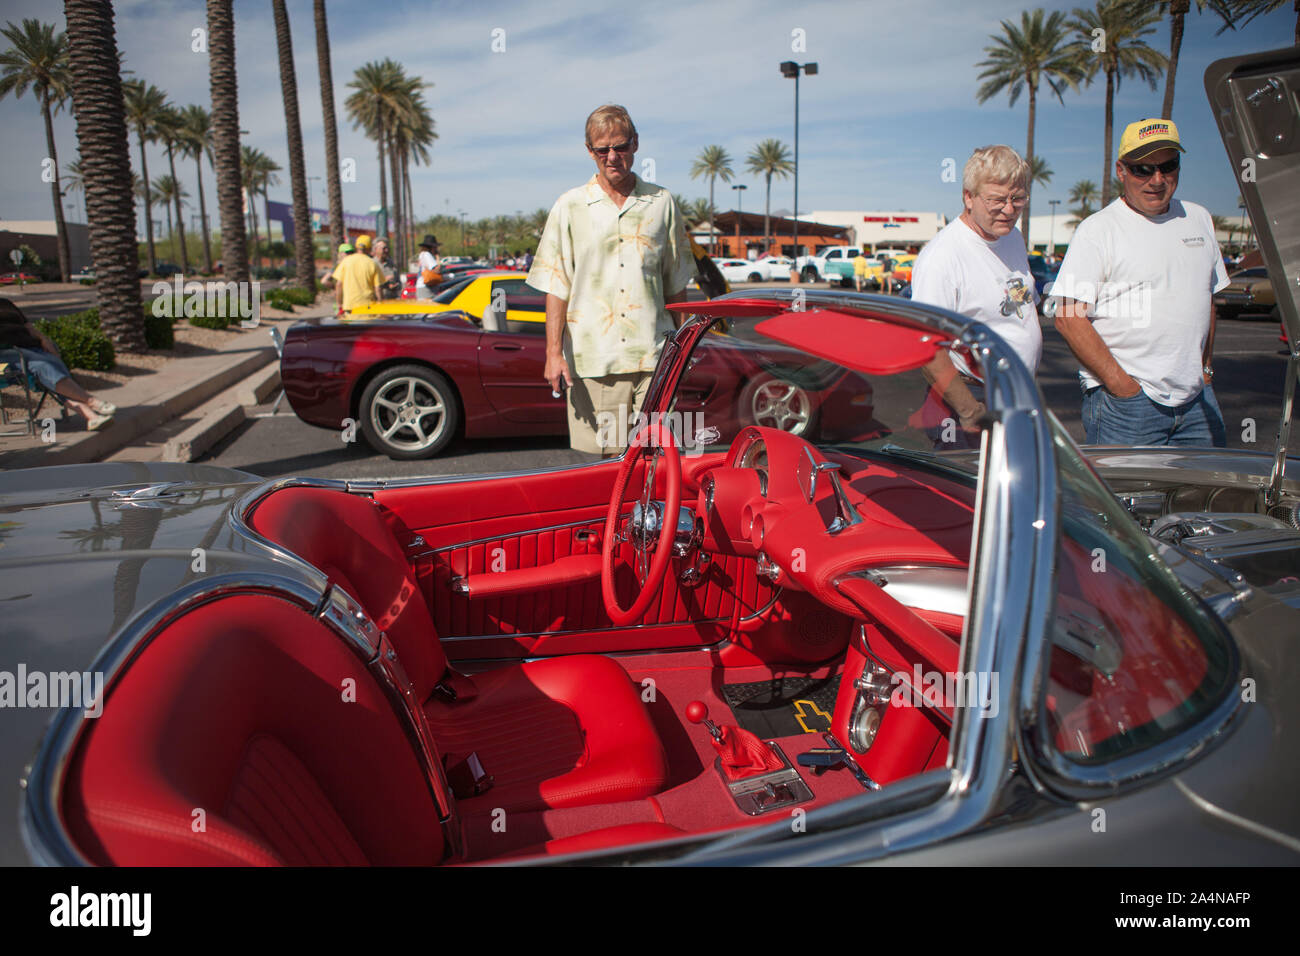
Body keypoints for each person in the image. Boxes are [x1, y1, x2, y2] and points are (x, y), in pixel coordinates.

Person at [528, 104, 694, 456]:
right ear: (589, 151)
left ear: (635, 144)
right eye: (602, 150)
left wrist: (685, 350)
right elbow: (557, 285)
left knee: (657, 461)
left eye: (620, 146)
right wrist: (553, 354)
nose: (612, 157)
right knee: (609, 470)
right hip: (596, 359)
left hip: (656, 357)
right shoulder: (570, 206)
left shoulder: (661, 203)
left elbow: (676, 284)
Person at [1053, 118, 1227, 447]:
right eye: (1142, 169)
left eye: (1168, 166)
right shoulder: (1098, 230)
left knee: (1203, 497)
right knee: (1124, 500)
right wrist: (1122, 386)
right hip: (1128, 407)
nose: (1157, 180)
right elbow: (1067, 316)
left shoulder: (1199, 218)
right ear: (1121, 171)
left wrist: (1205, 371)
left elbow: (1208, 299)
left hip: (1197, 401)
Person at [910, 145, 1042, 445]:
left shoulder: (1012, 238)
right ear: (968, 197)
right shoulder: (943, 256)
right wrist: (970, 411)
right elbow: (926, 348)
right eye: (997, 200)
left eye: (1018, 198)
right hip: (971, 403)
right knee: (969, 491)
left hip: (1018, 397)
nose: (1009, 210)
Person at [0, 297, 115, 430]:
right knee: (43, 365)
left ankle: (92, 416)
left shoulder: (5, 303)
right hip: (8, 359)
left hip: (28, 349)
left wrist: (44, 339)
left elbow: (28, 326)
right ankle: (91, 402)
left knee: (50, 364)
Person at [330, 242, 384, 314]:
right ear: (370, 249)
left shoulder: (346, 262)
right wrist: (380, 304)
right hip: (368, 305)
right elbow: (378, 288)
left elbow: (339, 284)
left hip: (349, 305)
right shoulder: (372, 263)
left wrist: (339, 304)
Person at [415, 235, 441, 301]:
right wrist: (438, 258)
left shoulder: (422, 254)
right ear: (431, 247)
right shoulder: (427, 254)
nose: (436, 249)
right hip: (427, 288)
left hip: (422, 287)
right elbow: (437, 270)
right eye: (435, 247)